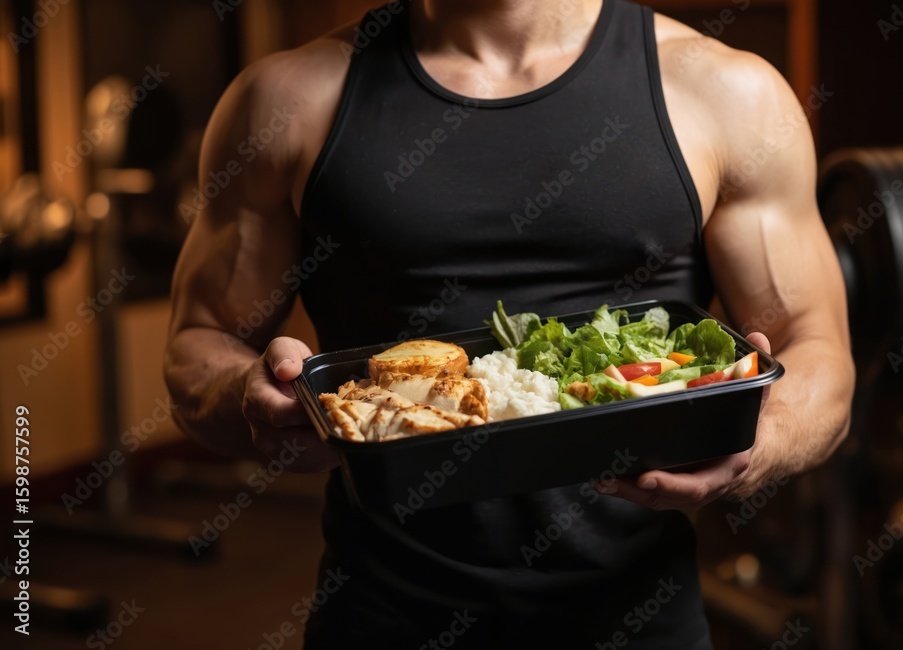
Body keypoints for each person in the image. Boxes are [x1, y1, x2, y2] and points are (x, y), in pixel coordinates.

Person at [164, 0, 854, 647]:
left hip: (638, 621)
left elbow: (819, 350)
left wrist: (757, 444)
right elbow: (198, 344)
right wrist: (250, 396)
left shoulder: (725, 92)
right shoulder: (285, 100)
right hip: (384, 616)